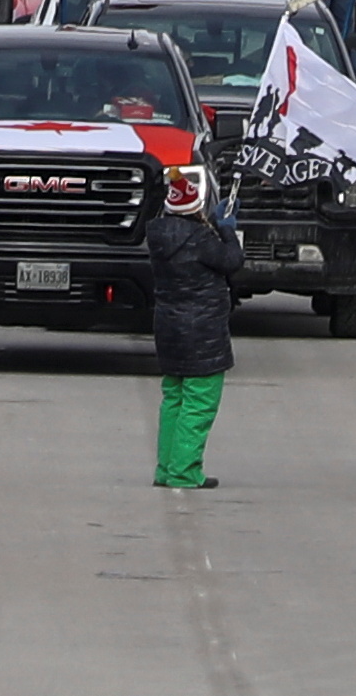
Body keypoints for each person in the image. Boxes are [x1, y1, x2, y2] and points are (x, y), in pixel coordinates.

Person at [147, 166, 242, 490]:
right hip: (202, 331)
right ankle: (184, 471)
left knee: (173, 398)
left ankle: (166, 467)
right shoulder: (201, 239)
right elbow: (232, 261)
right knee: (200, 401)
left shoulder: (158, 236)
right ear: (195, 208)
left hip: (169, 328)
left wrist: (213, 225)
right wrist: (226, 230)